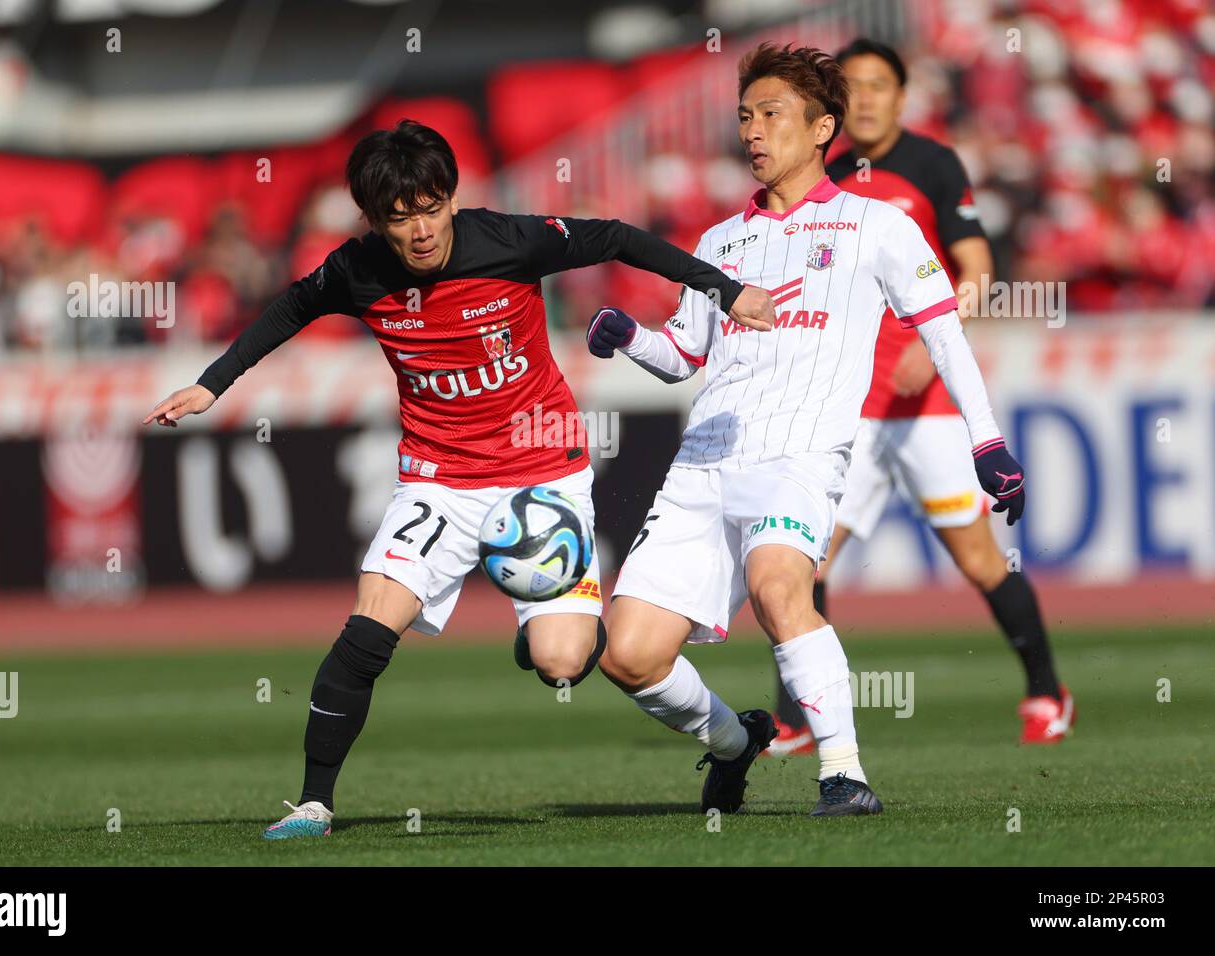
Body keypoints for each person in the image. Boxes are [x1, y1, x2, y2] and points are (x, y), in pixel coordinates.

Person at [142, 120, 776, 839]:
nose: (420, 231)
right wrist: (211, 384)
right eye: (399, 217)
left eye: (431, 207)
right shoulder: (357, 270)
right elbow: (290, 307)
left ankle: (726, 734)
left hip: (542, 470)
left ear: (451, 197)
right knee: (368, 628)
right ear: (372, 220)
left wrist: (724, 291)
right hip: (438, 479)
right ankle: (314, 804)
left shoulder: (509, 241)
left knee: (563, 662)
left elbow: (619, 238)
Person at [586, 42, 1029, 817]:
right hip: (702, 464)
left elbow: (943, 334)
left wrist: (985, 440)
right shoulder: (719, 242)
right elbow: (683, 356)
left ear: (824, 127)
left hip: (800, 456)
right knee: (627, 655)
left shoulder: (878, 226)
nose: (753, 131)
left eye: (772, 114)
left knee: (779, 586)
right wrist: (628, 336)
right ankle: (735, 741)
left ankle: (844, 775)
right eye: (744, 116)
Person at [765, 39, 1073, 756]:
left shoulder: (932, 165)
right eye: (854, 87)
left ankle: (1047, 691)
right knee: (805, 562)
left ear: (903, 96)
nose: (867, 98)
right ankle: (798, 715)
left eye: (880, 84)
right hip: (849, 411)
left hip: (924, 407)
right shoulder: (823, 175)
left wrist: (932, 341)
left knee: (980, 562)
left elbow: (976, 268)